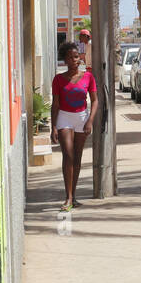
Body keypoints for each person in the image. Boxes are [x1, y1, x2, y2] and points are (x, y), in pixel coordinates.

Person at [51, 40, 99, 211]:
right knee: (68, 155)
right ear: (64, 60)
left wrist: (90, 121)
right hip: (64, 117)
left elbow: (94, 101)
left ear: (80, 58)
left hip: (82, 118)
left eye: (76, 57)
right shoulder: (58, 79)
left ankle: (74, 195)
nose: (74, 60)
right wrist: (54, 127)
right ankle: (68, 197)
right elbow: (55, 105)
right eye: (70, 58)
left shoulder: (88, 77)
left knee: (77, 158)